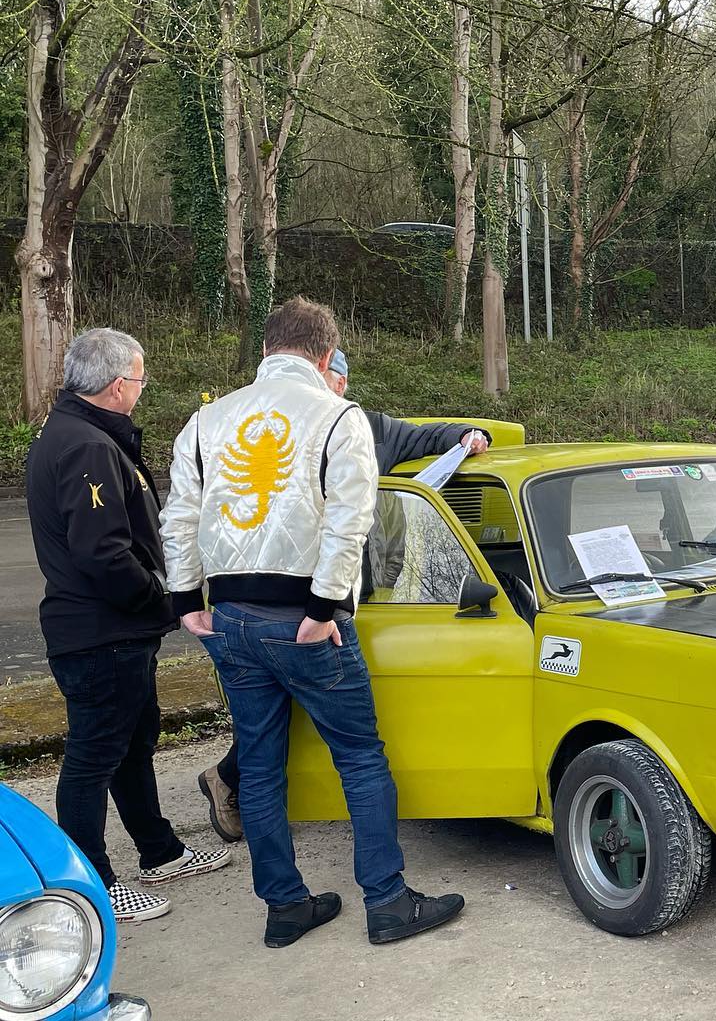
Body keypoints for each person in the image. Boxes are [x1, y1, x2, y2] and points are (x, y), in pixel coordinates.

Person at [161, 297, 465, 948]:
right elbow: (350, 520)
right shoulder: (339, 417)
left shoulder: (205, 422)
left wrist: (185, 600)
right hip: (306, 618)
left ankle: (284, 907)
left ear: (265, 350)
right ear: (327, 356)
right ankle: (387, 900)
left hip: (230, 616)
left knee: (261, 768)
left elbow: (179, 517)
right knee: (359, 756)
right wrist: (324, 608)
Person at [196, 346, 490, 844]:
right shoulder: (258, 426)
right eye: (330, 377)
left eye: (340, 381)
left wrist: (466, 435)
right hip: (288, 600)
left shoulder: (361, 426)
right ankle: (234, 781)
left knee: (286, 718)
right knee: (334, 739)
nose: (335, 388)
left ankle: (260, 834)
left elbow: (422, 435)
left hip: (343, 596)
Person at [26, 328, 230, 924]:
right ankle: (94, 885)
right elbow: (103, 553)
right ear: (119, 385)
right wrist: (161, 599)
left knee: (133, 744)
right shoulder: (87, 447)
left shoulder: (76, 432)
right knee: (93, 758)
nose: (142, 389)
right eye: (140, 380)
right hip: (101, 634)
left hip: (113, 632)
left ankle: (158, 850)